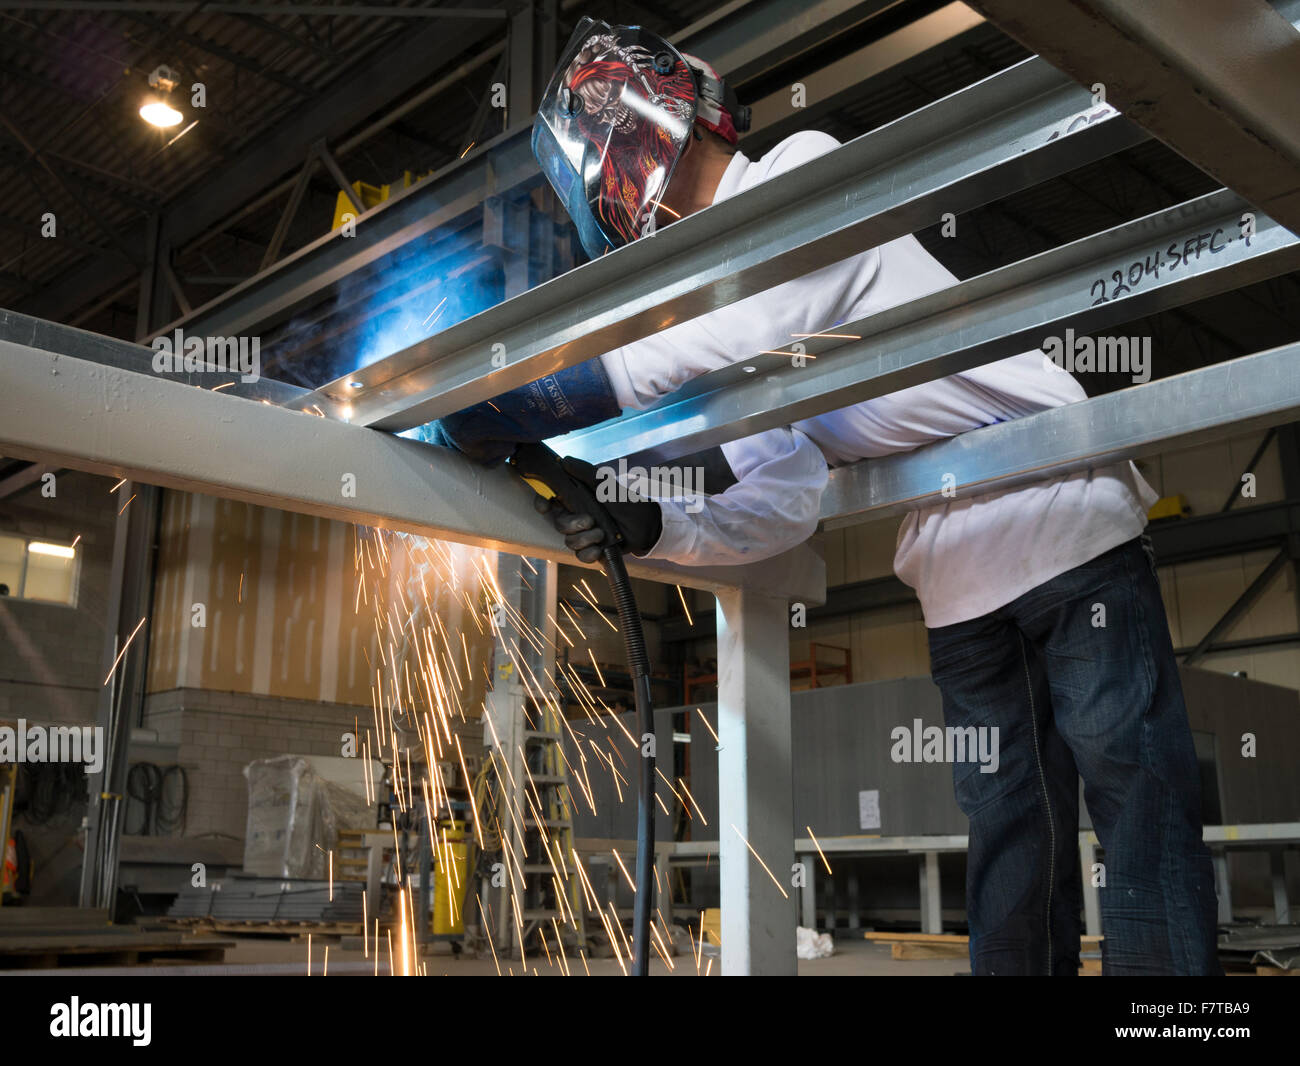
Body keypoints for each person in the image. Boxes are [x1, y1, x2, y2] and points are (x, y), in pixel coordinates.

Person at [431, 17, 1221, 976]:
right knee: (1018, 834)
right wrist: (653, 523)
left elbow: (695, 342)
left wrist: (535, 394)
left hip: (1067, 509)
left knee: (1137, 806)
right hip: (957, 579)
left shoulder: (802, 175)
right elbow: (783, 501)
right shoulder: (725, 330)